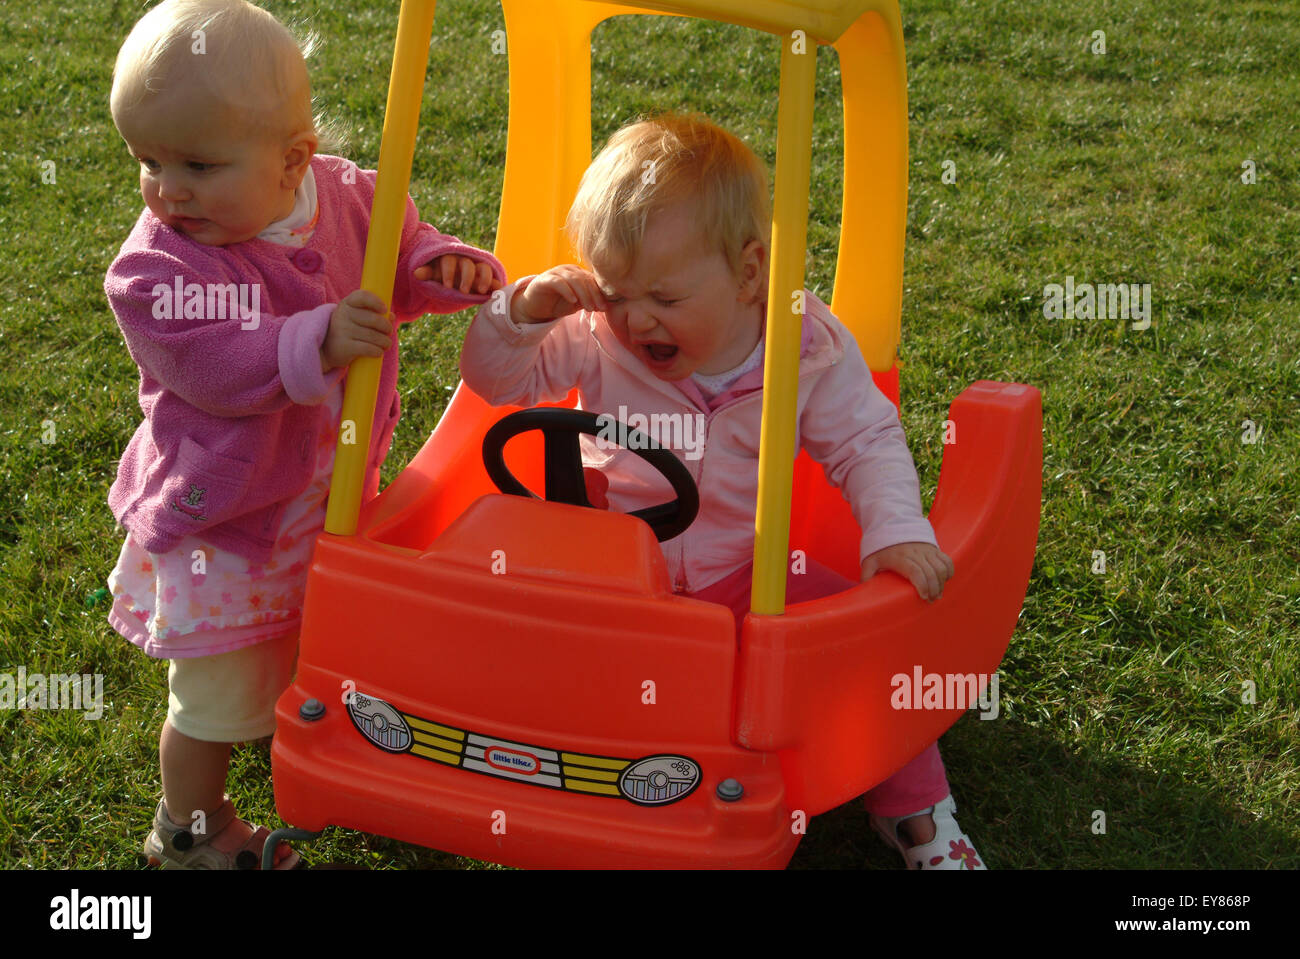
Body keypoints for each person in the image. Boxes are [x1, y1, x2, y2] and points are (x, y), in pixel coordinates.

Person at [460, 112, 984, 869]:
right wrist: (520, 315)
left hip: (748, 577)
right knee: (514, 649)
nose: (635, 318)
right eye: (616, 291)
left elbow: (865, 442)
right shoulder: (594, 333)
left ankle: (918, 815)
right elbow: (496, 383)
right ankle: (551, 778)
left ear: (748, 275)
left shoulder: (805, 347)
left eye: (664, 298)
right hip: (606, 585)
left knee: (869, 653)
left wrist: (896, 528)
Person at [103, 0, 503, 869]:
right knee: (215, 697)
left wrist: (434, 264)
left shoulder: (352, 195)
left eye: (198, 164)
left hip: (323, 497)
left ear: (294, 160)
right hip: (226, 526)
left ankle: (317, 746)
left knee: (318, 642)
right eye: (148, 161)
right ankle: (189, 828)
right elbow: (212, 364)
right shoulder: (155, 267)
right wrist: (315, 340)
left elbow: (394, 253)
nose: (168, 189)